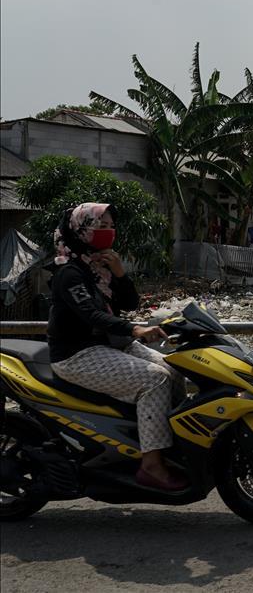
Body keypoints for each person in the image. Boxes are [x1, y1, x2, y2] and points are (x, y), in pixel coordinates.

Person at [47, 203, 188, 491]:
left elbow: (130, 304)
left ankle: (173, 447)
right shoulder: (69, 273)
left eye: (111, 226)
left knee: (174, 370)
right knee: (155, 379)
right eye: (101, 226)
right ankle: (151, 466)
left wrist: (120, 273)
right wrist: (135, 329)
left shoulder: (100, 268)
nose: (109, 232)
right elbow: (91, 314)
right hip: (78, 354)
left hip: (110, 344)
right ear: (81, 230)